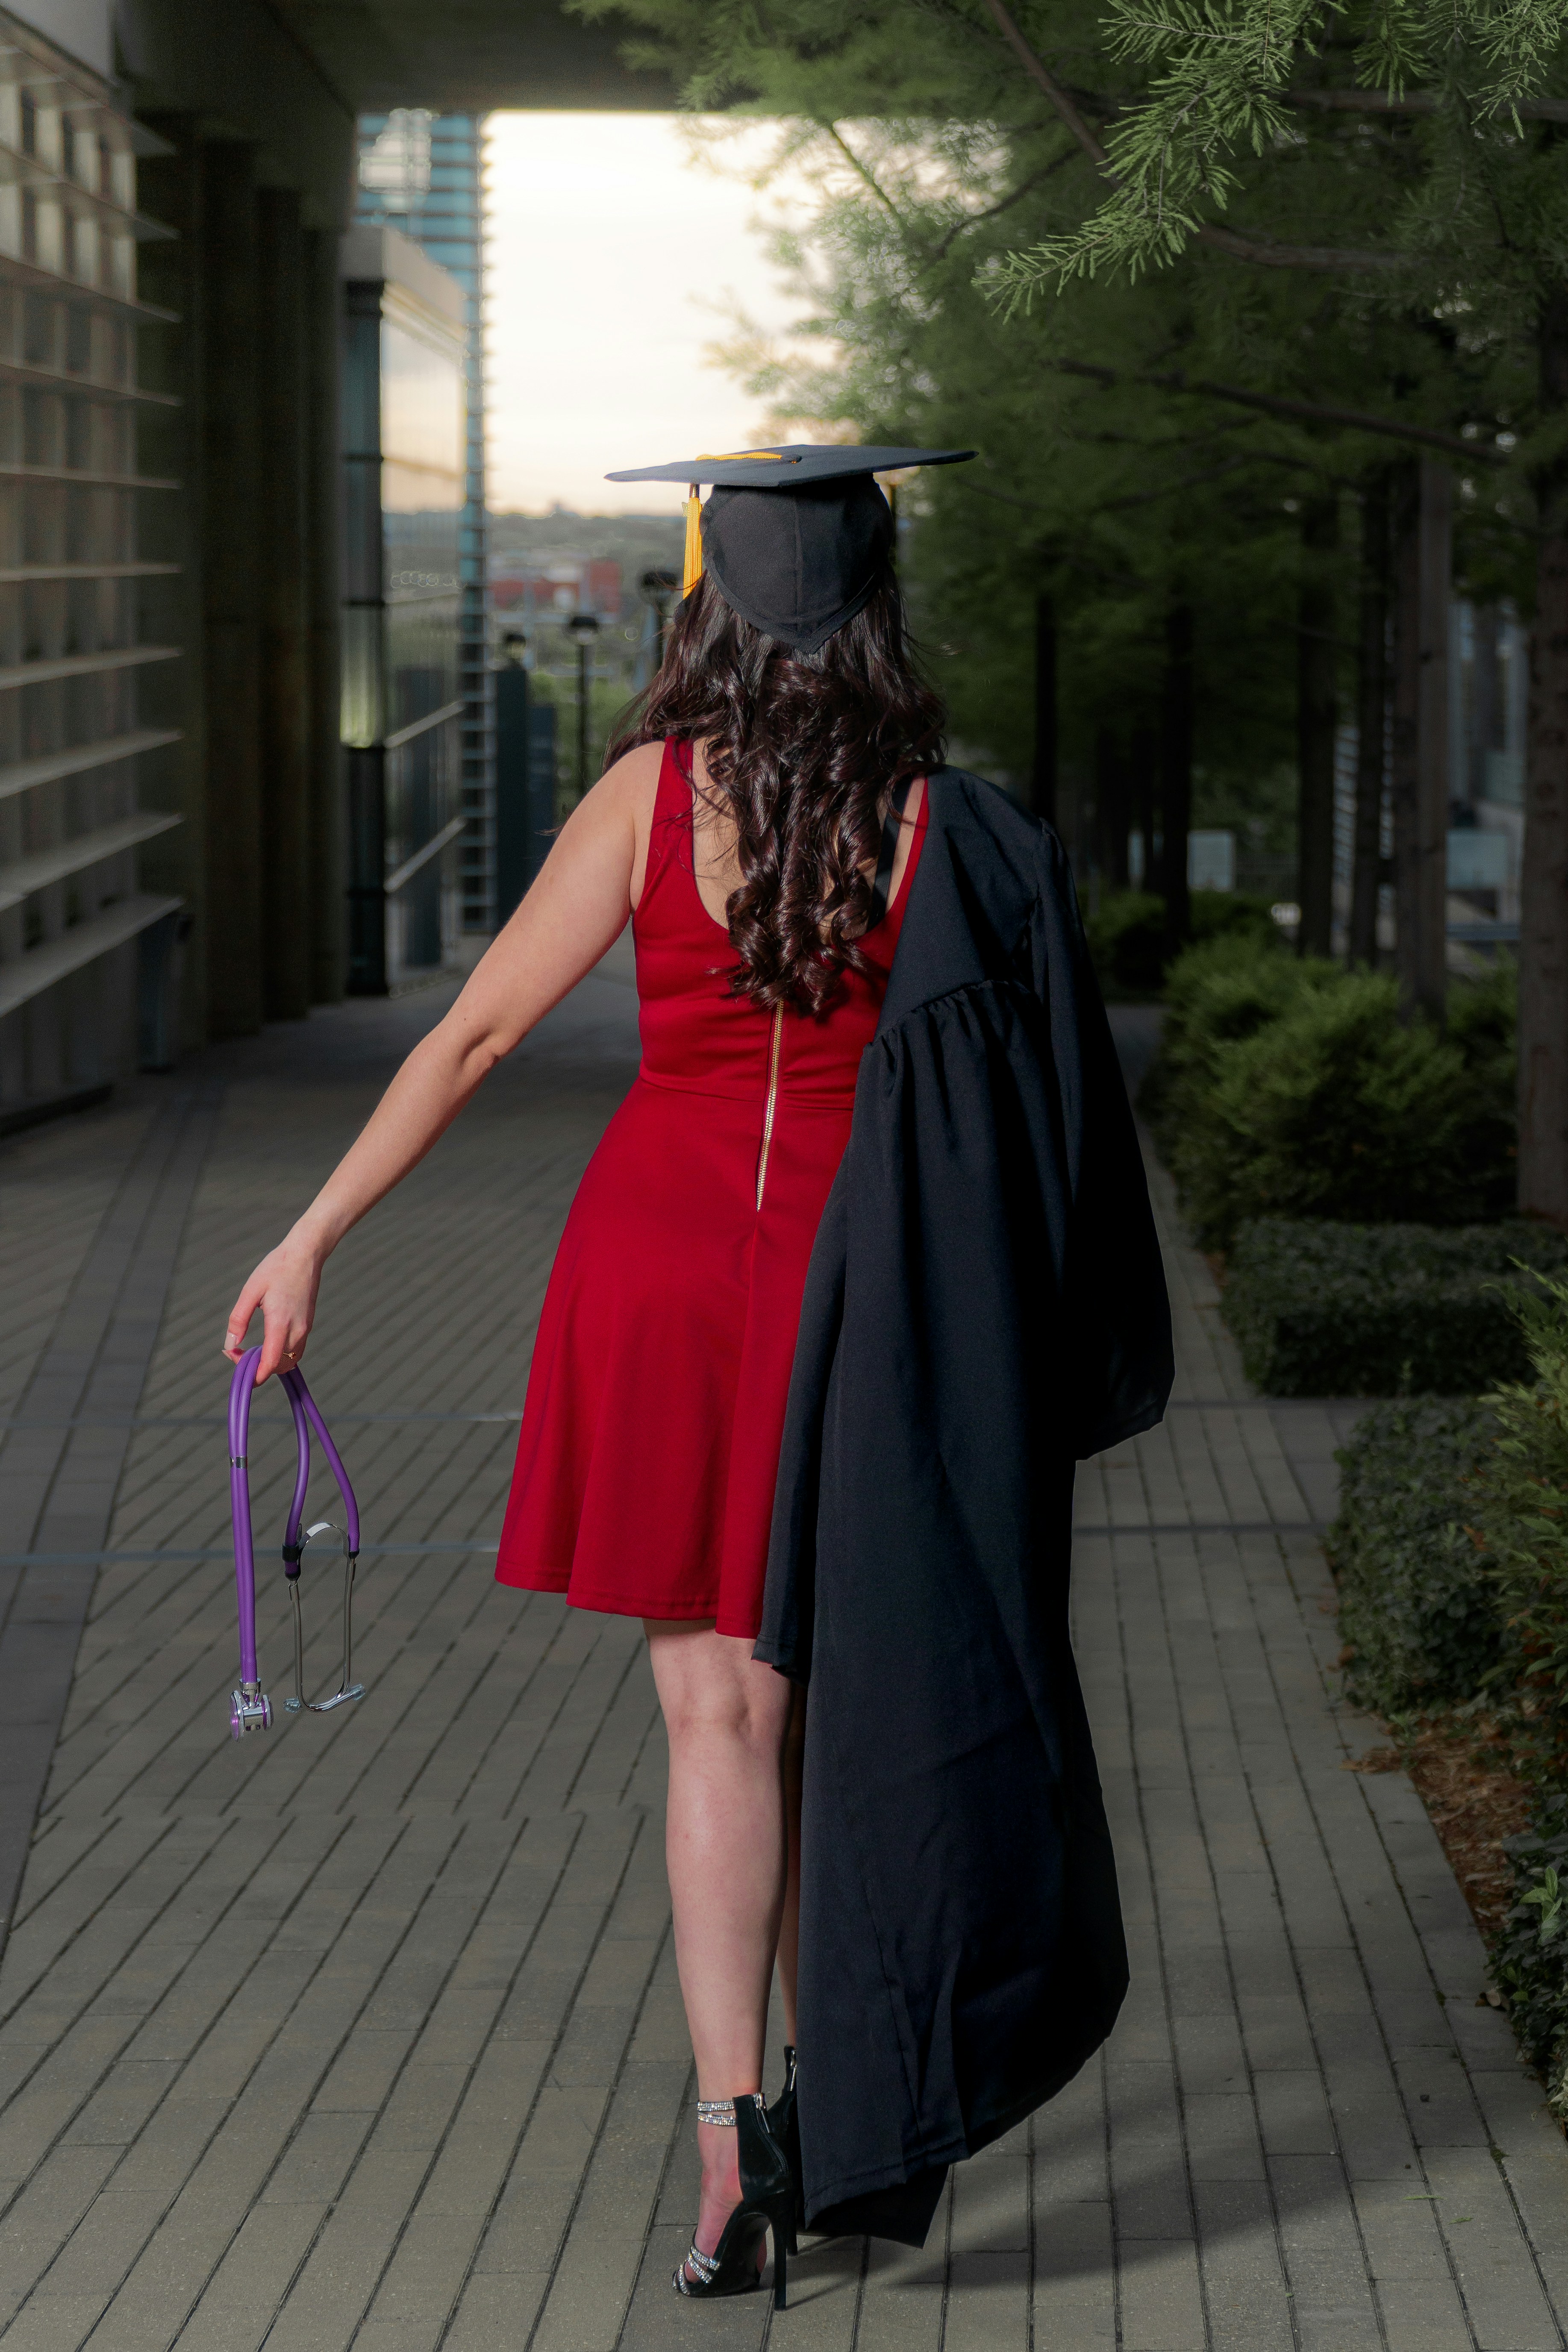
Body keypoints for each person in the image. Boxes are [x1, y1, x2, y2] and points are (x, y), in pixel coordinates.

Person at [224, 442, 1172, 2308]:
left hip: (654, 1281)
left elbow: (482, 1027)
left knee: (715, 1725)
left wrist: (309, 1231)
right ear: (876, 605)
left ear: (706, 604)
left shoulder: (651, 795)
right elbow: (1044, 1125)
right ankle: (854, 2113)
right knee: (842, 1719)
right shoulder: (943, 827)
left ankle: (737, 2153)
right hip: (863, 1296)